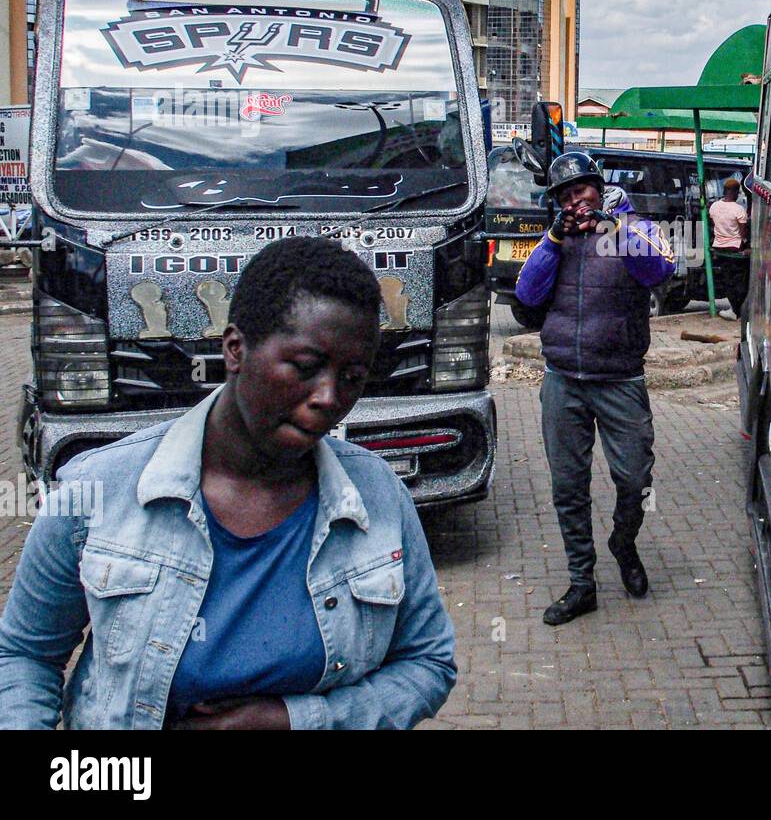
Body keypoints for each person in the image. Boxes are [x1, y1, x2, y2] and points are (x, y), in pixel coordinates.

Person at [0, 236, 456, 729]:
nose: (329, 396)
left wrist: (295, 720)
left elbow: (427, 663)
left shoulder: (378, 497)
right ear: (235, 349)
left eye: (352, 376)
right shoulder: (99, 491)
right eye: (305, 368)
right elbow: (24, 654)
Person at [515, 151, 676, 625]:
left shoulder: (635, 229)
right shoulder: (556, 241)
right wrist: (553, 238)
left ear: (598, 190)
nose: (574, 201)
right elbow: (525, 296)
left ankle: (623, 544)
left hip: (620, 380)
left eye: (581, 191)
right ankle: (582, 583)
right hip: (563, 380)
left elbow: (660, 270)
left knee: (633, 479)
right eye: (564, 196)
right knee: (568, 487)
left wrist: (612, 227)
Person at [708, 178, 749, 250]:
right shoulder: (739, 209)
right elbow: (742, 233)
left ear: (724, 191)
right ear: (736, 192)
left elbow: (714, 225)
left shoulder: (714, 206)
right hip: (735, 247)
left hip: (718, 245)